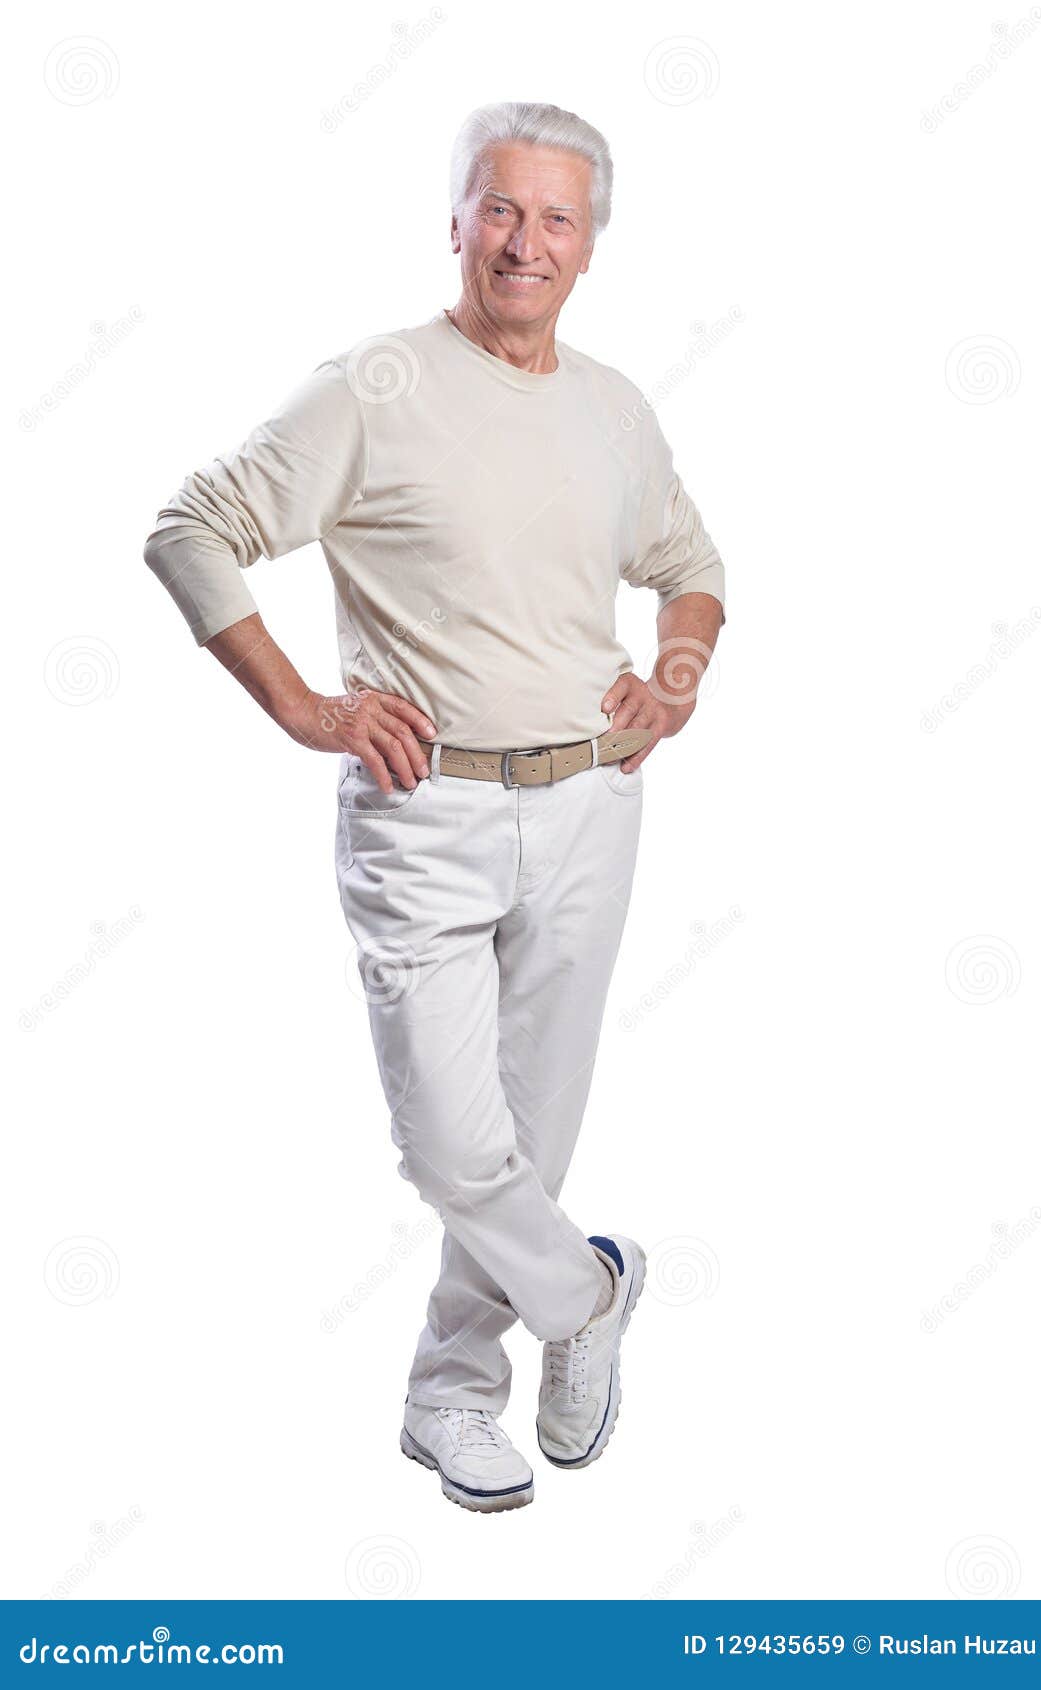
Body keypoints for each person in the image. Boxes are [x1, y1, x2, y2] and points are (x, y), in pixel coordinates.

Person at [144, 100, 726, 1513]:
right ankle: (588, 1293)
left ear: (590, 245)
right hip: (424, 808)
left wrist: (676, 675)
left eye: (556, 218)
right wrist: (306, 706)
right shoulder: (373, 386)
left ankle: (452, 1396)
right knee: (453, 1146)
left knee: (532, 1133)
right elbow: (191, 529)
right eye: (500, 208)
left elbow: (691, 564)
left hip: (591, 802)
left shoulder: (613, 407)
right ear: (455, 220)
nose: (526, 242)